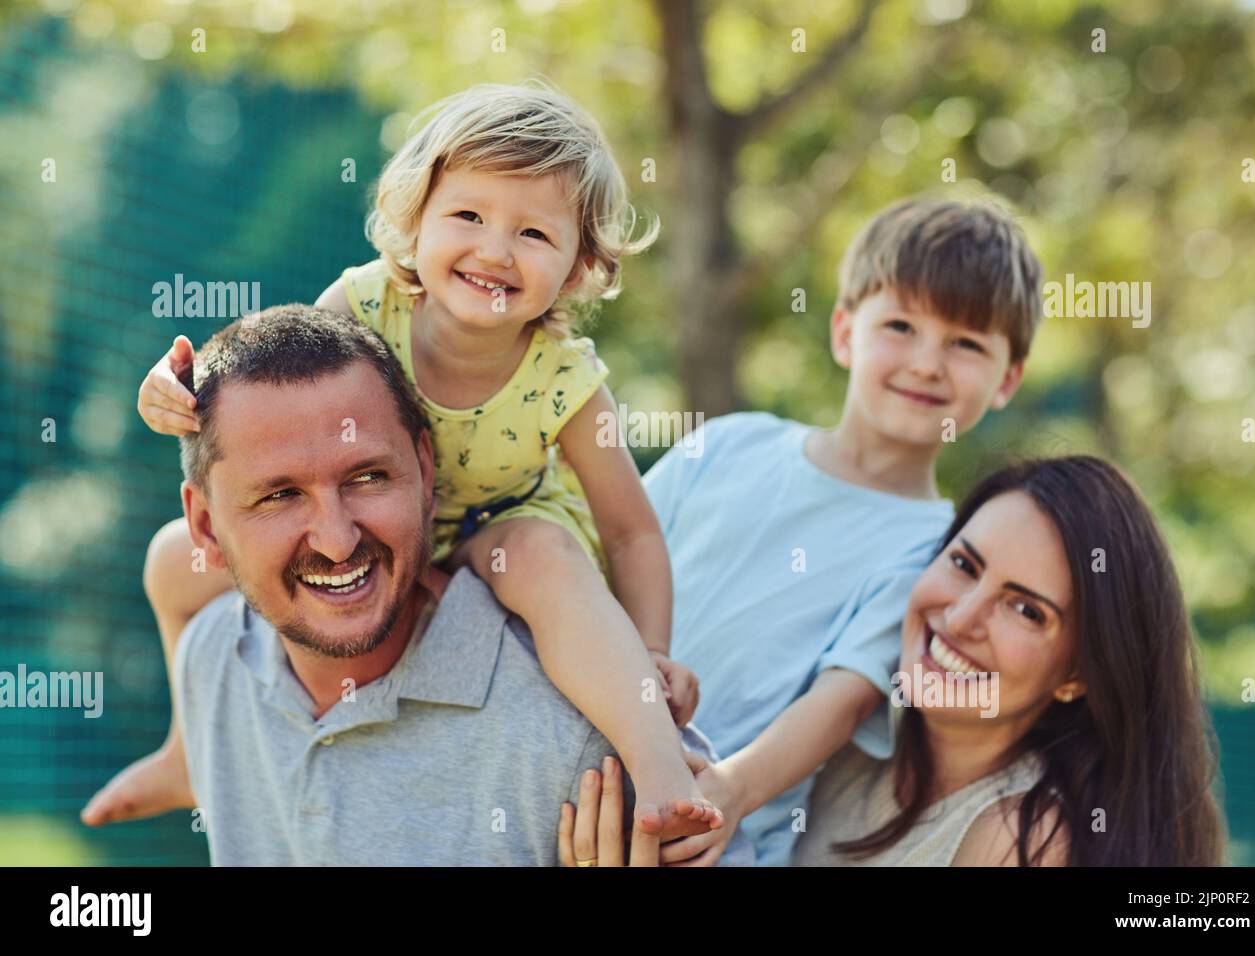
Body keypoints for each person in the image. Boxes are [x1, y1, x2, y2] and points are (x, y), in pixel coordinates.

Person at [84, 81, 719, 841]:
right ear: (415, 221)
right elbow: (281, 382)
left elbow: (631, 533)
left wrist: (653, 652)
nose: (494, 249)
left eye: (534, 235)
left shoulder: (567, 382)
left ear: (580, 266)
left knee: (543, 556)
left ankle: (662, 772)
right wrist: (176, 386)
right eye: (469, 216)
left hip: (496, 525)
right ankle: (188, 748)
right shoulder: (362, 303)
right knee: (167, 563)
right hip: (368, 520)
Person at [111, 304, 741, 865]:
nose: (336, 539)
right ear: (205, 525)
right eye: (280, 495)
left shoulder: (592, 735)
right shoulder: (210, 660)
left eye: (366, 478)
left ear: (426, 468)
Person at [560, 457, 1227, 867]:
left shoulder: (1025, 837)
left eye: (1026, 610)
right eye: (964, 565)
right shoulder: (846, 747)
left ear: (1081, 673)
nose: (961, 618)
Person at [642, 197, 1043, 865]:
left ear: (1008, 380)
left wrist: (729, 792)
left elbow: (845, 697)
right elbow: (620, 553)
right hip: (582, 759)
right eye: (900, 326)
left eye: (966, 343)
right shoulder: (731, 444)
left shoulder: (938, 555)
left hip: (711, 835)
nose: (926, 363)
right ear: (844, 331)